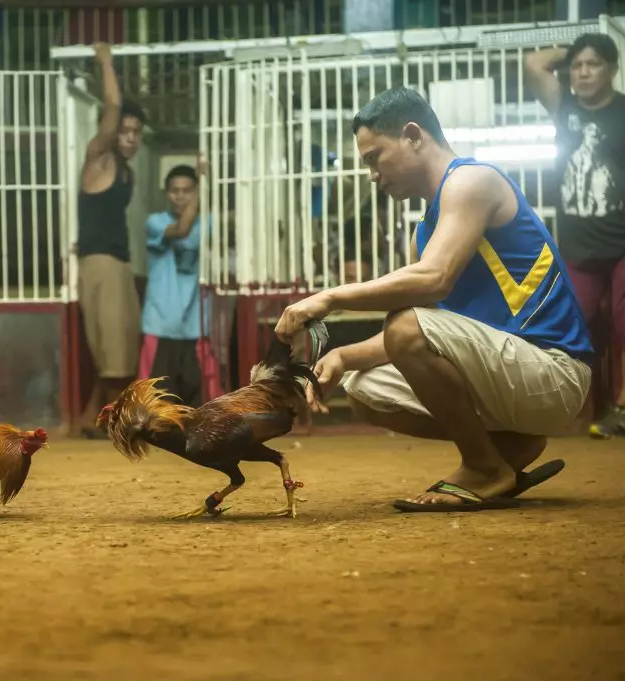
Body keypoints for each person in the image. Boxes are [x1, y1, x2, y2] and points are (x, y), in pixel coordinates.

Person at [276, 87, 593, 512]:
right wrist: (345, 356)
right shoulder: (424, 233)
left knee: (405, 324)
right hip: (508, 375)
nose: (372, 175)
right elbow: (434, 327)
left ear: (413, 135)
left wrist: (329, 298)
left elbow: (434, 284)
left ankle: (483, 466)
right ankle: (506, 447)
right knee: (364, 389)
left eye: (375, 157)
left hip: (554, 373)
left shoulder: (471, 180)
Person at [525, 34, 625, 439]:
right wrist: (577, 47)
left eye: (594, 64)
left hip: (622, 244)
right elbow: (534, 64)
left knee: (624, 320)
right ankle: (563, 410)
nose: (584, 72)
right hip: (580, 247)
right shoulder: (563, 105)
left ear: (613, 70)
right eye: (578, 65)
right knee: (570, 324)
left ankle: (621, 407)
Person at [76, 42, 144, 437]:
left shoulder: (127, 173)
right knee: (114, 349)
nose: (131, 138)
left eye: (137, 132)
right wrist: (105, 59)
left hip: (117, 262)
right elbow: (113, 107)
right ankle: (114, 422)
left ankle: (91, 418)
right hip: (101, 261)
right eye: (125, 131)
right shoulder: (99, 157)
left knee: (119, 343)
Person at [137, 162, 221, 408]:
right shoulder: (155, 222)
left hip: (197, 317)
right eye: (175, 190)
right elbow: (182, 230)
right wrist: (203, 185)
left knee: (206, 392)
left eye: (188, 190)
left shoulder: (210, 222)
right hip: (160, 318)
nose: (181, 196)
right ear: (166, 193)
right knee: (149, 394)